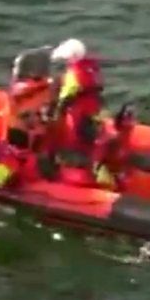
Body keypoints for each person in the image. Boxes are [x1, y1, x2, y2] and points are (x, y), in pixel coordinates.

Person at [47, 38, 116, 189]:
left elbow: (64, 99)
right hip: (94, 108)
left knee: (77, 141)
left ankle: (87, 170)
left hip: (80, 114)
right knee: (92, 137)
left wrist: (54, 116)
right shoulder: (91, 68)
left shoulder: (74, 75)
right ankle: (97, 164)